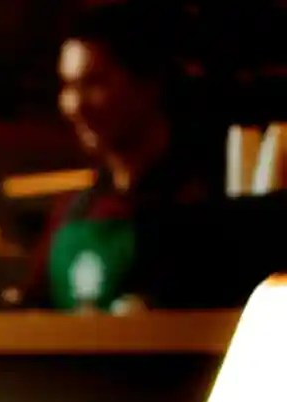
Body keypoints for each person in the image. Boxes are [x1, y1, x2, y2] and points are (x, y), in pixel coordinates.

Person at [25, 2, 218, 311]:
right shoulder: (73, 211)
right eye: (68, 86)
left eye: (94, 83)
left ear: (148, 85)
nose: (75, 105)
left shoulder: (201, 206)